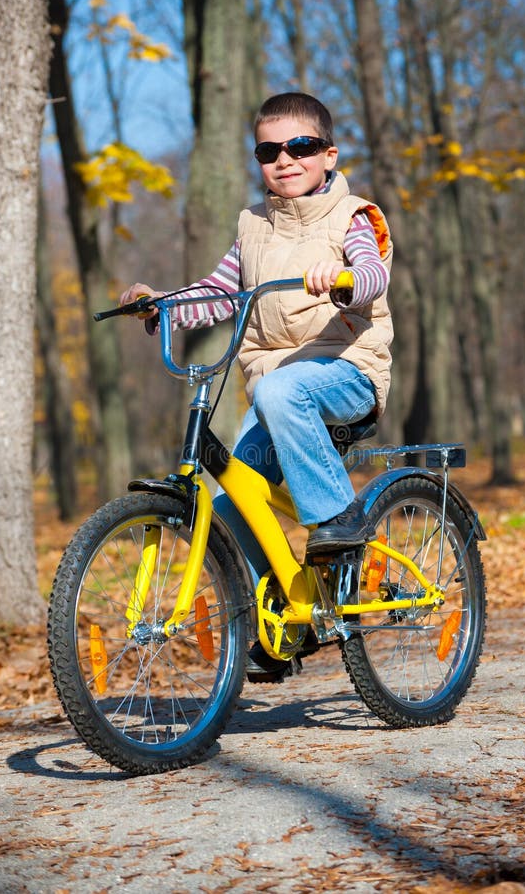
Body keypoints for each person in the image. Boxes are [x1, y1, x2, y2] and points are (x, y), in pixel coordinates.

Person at [120, 92, 394, 681]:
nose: (285, 159)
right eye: (269, 150)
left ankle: (337, 519)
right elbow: (219, 294)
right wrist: (162, 306)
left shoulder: (353, 217)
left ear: (328, 155)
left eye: (300, 147)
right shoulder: (254, 227)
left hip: (346, 372)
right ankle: (285, 616)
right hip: (277, 389)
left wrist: (343, 278)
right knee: (231, 497)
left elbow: (374, 273)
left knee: (277, 391)